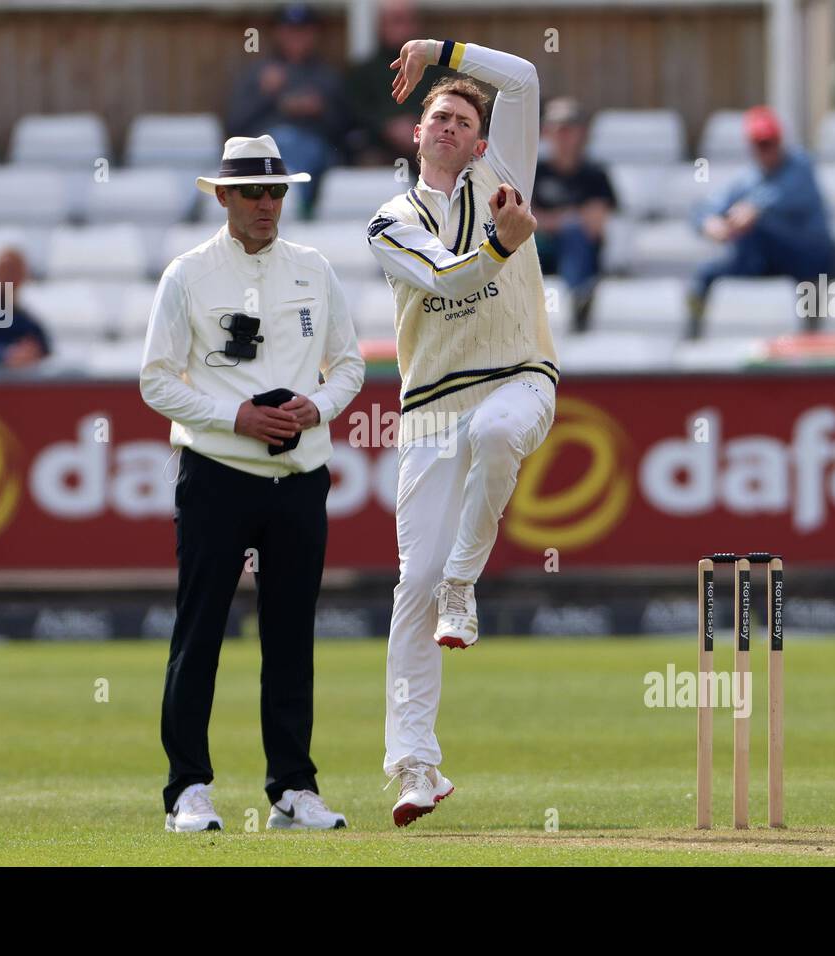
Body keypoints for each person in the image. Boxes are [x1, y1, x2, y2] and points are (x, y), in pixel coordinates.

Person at [140, 134, 365, 832]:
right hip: (218, 473)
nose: (266, 205)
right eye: (252, 193)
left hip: (298, 475)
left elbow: (350, 365)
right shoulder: (188, 273)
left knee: (292, 636)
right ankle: (187, 789)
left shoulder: (314, 269)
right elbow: (154, 379)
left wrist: (317, 406)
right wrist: (234, 417)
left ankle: (293, 789)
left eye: (276, 192)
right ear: (223, 196)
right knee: (200, 628)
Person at [366, 39, 557, 827]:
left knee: (498, 433)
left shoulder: (503, 173)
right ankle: (416, 768)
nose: (446, 125)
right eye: (436, 114)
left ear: (482, 142)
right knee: (411, 586)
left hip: (519, 376)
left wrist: (441, 49)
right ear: (415, 134)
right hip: (432, 406)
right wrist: (504, 244)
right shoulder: (389, 221)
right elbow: (452, 277)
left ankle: (465, 584)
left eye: (461, 119)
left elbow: (526, 78)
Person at [691, 106, 835, 304]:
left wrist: (754, 211)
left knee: (755, 232)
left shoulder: (801, 166)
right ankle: (698, 322)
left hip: (811, 256)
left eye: (770, 143)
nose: (766, 150)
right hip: (768, 260)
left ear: (780, 141)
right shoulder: (748, 179)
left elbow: (780, 198)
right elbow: (706, 207)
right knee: (707, 274)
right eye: (760, 144)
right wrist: (708, 222)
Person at [226, 5, 349, 215]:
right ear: (278, 33)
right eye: (290, 30)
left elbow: (346, 129)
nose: (296, 37)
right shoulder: (261, 72)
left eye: (303, 31)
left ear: (314, 34)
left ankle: (291, 208)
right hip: (264, 149)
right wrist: (265, 96)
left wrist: (318, 110)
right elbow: (234, 124)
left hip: (314, 150)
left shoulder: (326, 76)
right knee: (276, 144)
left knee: (296, 147)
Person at [345, 0, 454, 170]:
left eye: (408, 20)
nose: (403, 27)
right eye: (396, 20)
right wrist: (387, 127)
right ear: (381, 25)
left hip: (428, 141)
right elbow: (354, 111)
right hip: (378, 145)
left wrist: (420, 124)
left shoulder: (438, 70)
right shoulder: (363, 72)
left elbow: (451, 104)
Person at [532, 96, 619, 307]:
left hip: (577, 249)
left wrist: (551, 221)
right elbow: (523, 217)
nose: (563, 136)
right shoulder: (534, 171)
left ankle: (577, 301)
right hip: (540, 248)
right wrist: (569, 218)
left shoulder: (595, 174)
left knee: (574, 234)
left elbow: (596, 224)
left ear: (581, 133)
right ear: (546, 132)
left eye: (569, 129)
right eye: (557, 129)